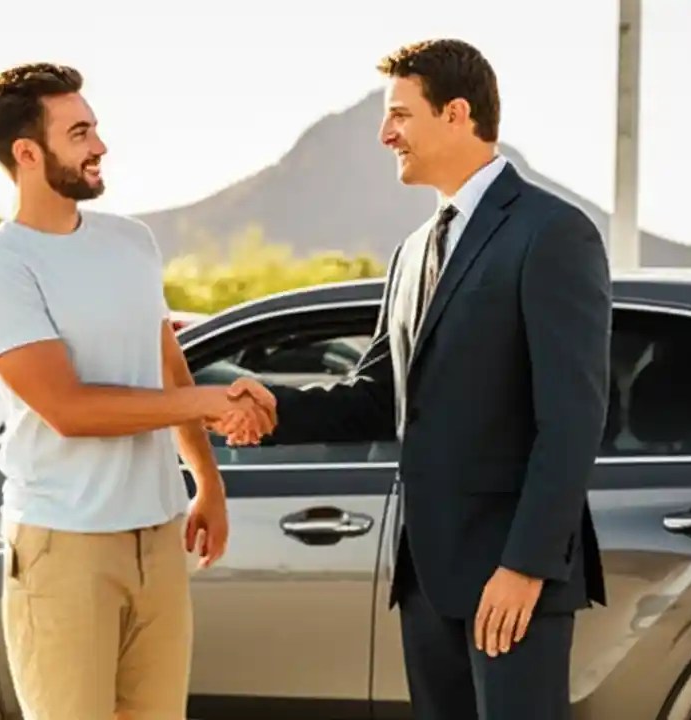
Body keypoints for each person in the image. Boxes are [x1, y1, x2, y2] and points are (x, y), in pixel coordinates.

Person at [219, 39, 612, 720]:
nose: (385, 133)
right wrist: (272, 406)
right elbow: (379, 394)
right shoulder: (410, 252)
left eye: (400, 114)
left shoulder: (553, 233)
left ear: (456, 113)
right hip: (426, 578)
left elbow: (572, 419)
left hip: (510, 578)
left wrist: (525, 568)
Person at [0, 62, 271, 720]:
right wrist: (208, 407)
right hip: (63, 547)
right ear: (27, 153)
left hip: (156, 536)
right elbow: (70, 409)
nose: (99, 145)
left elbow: (168, 369)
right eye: (79, 132)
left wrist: (206, 481)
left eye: (94, 127)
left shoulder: (132, 242)